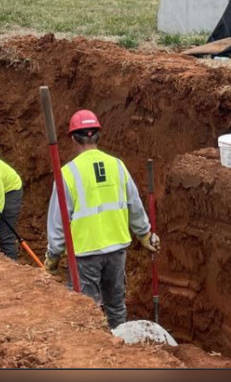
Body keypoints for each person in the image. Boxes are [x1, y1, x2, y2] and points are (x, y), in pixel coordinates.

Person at [44, 109, 158, 329]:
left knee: (87, 310)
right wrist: (144, 233)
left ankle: (95, 356)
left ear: (73, 138)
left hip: (85, 253)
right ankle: (119, 348)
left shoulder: (67, 173)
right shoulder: (117, 165)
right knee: (116, 306)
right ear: (98, 135)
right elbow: (133, 203)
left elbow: (59, 221)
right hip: (116, 249)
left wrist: (53, 255)